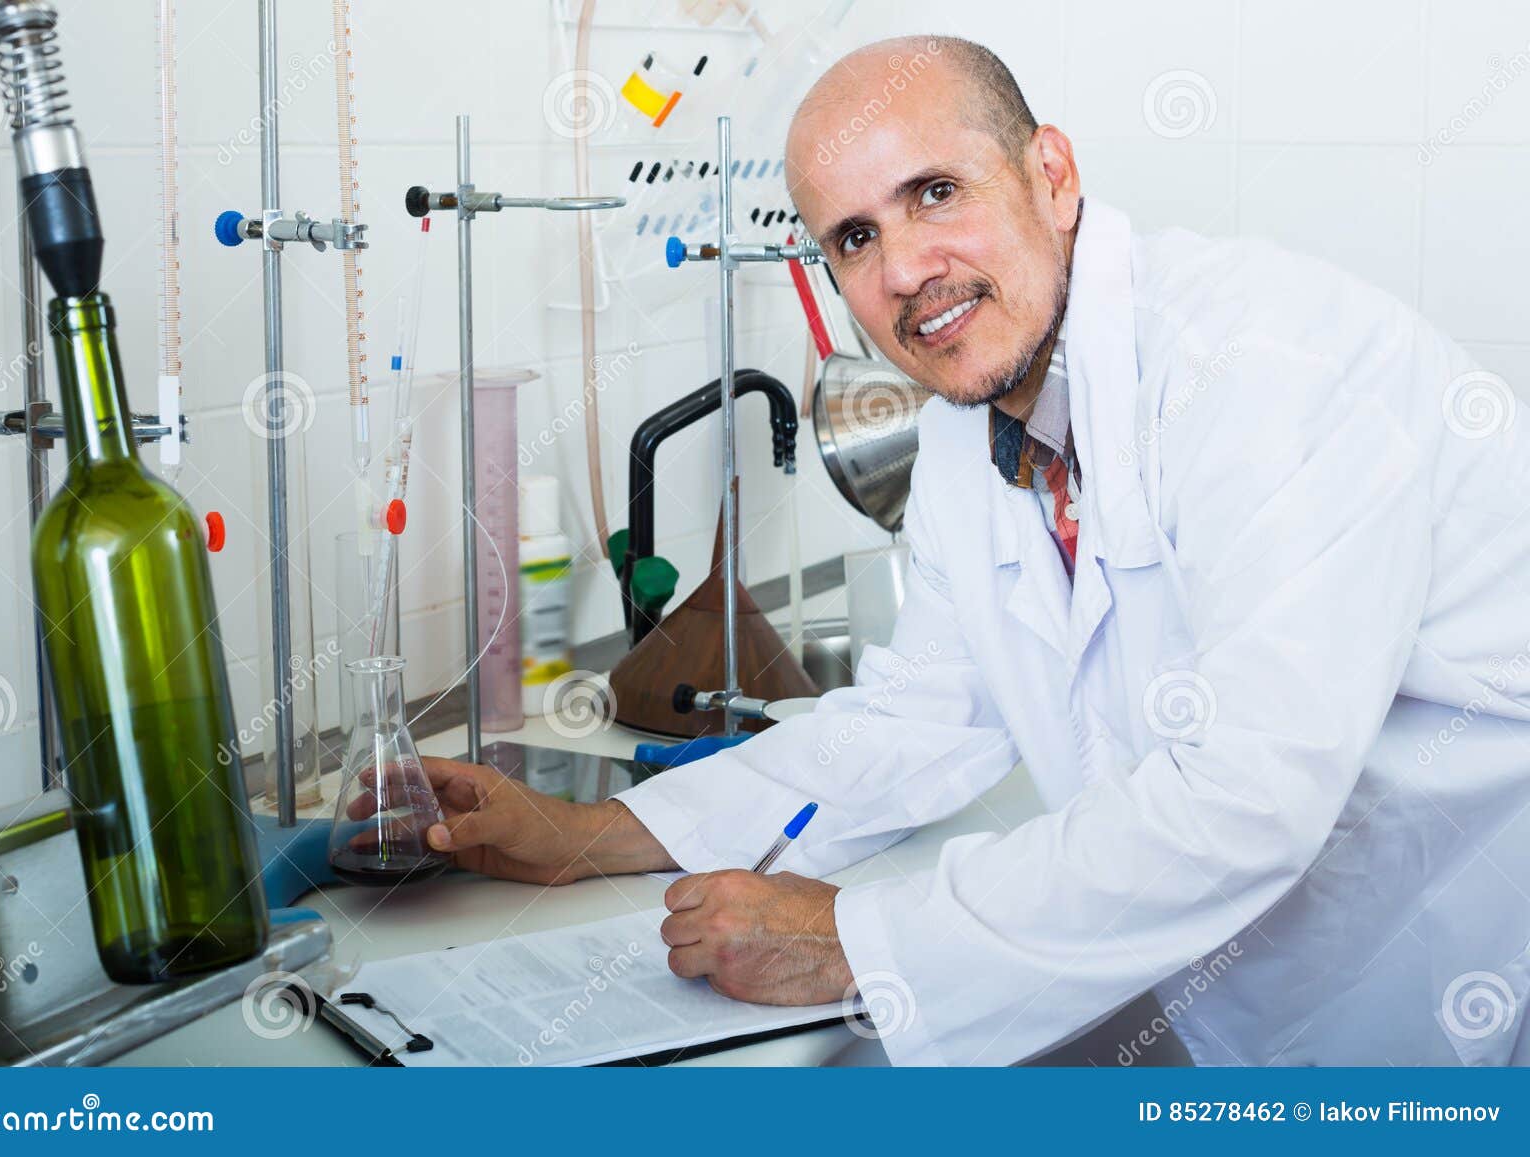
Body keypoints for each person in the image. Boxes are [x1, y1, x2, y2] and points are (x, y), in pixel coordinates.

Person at [416, 35, 1530, 1065]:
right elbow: (923, 714)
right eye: (855, 237)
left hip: (1455, 981)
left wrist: (859, 938)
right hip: (1265, 1000)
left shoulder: (1267, 365)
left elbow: (1246, 793)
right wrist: (591, 833)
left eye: (934, 192)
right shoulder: (974, 419)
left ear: (1050, 173)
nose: (904, 270)